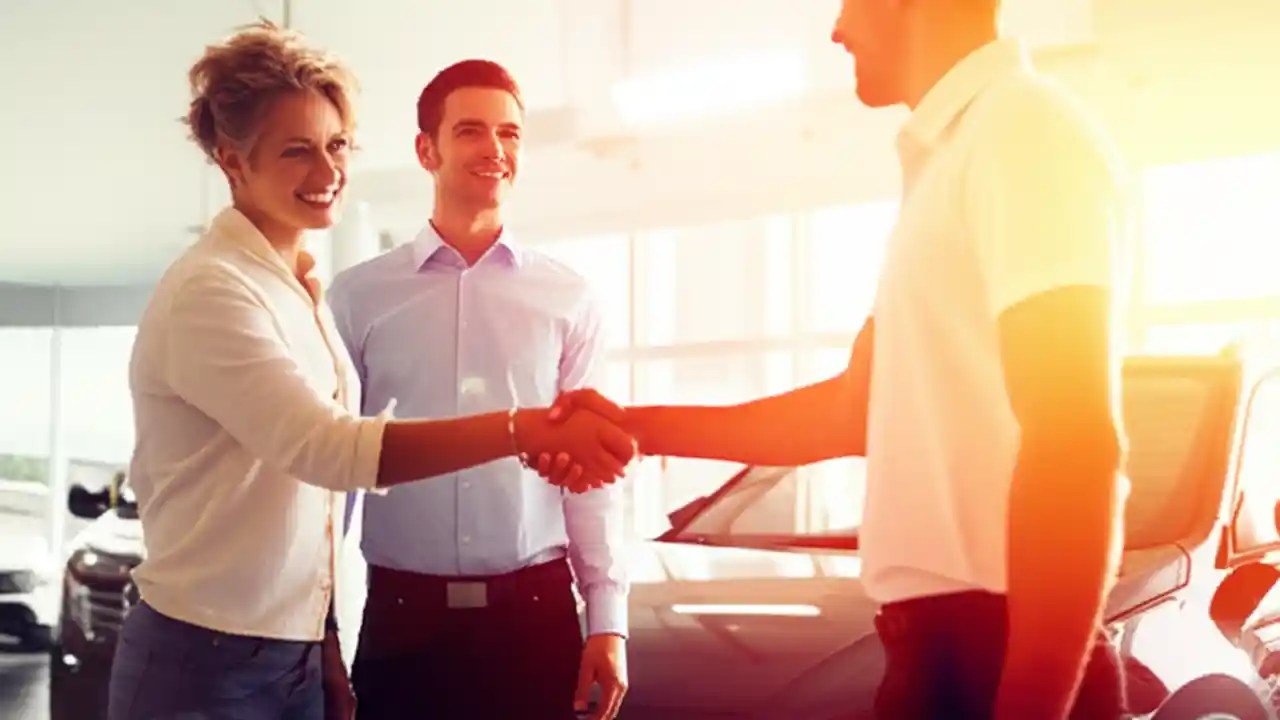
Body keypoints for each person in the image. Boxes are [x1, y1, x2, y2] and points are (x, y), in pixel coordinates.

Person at [542, 0, 1131, 718]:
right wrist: (636, 427)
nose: (837, 28)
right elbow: (854, 410)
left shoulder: (1023, 130)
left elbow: (1074, 439)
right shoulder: (953, 156)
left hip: (999, 653)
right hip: (935, 652)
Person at [108, 24, 632, 720]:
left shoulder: (300, 291)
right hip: (229, 650)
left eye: (336, 146)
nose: (327, 170)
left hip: (342, 642)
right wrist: (521, 429)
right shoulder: (234, 290)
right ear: (233, 161)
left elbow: (320, 503)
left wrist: (608, 615)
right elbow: (332, 453)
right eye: (296, 150)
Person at [326, 59, 630, 720]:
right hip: (401, 624)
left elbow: (590, 473)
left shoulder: (569, 297)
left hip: (536, 619)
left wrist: (608, 619)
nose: (495, 148)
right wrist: (319, 629)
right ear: (425, 150)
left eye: (509, 133)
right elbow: (332, 474)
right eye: (471, 130)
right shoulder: (355, 297)